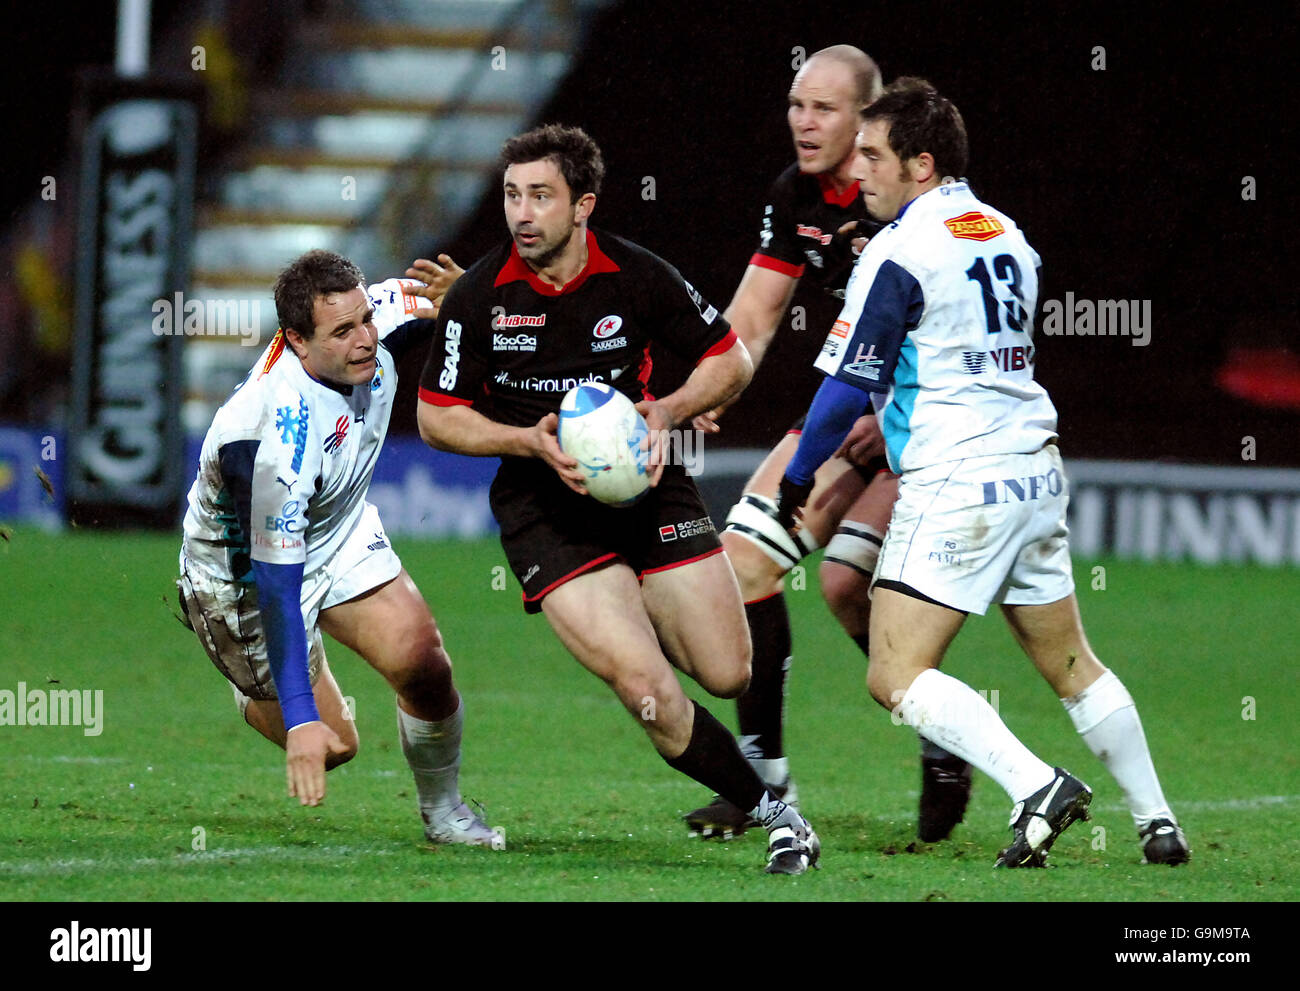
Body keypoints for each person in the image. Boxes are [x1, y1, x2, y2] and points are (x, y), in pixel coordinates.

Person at [777, 78, 1190, 866]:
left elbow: (846, 386)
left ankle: (1038, 785)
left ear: (922, 164)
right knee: (1073, 663)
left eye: (872, 154)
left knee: (895, 672)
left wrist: (797, 479)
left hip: (958, 479)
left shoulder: (900, 250)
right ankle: (1159, 821)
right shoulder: (1008, 234)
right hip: (1034, 472)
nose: (855, 169)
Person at [416, 123, 820, 874]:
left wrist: (666, 408)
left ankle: (647, 611)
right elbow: (435, 415)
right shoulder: (478, 297)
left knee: (730, 670)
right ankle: (779, 816)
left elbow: (727, 357)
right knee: (648, 690)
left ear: (584, 205)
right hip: (546, 511)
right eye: (511, 195)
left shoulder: (636, 275)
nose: (522, 213)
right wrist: (527, 441)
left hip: (648, 487)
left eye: (541, 195)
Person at [683, 44, 973, 843]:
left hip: (929, 427)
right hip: (847, 414)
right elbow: (753, 319)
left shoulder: (920, 202)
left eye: (824, 108)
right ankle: (764, 786)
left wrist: (897, 409)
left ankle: (950, 734)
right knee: (745, 569)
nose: (803, 123)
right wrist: (700, 393)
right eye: (794, 105)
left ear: (869, 118)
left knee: (847, 586)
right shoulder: (795, 196)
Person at [178, 249, 503, 849]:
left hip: (338, 527)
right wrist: (298, 720)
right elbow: (276, 585)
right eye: (343, 331)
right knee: (333, 743)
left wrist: (480, 294)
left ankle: (444, 813)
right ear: (297, 341)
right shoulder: (269, 439)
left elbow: (470, 304)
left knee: (424, 665)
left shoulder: (373, 317)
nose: (365, 341)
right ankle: (257, 688)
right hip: (242, 577)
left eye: (365, 321)